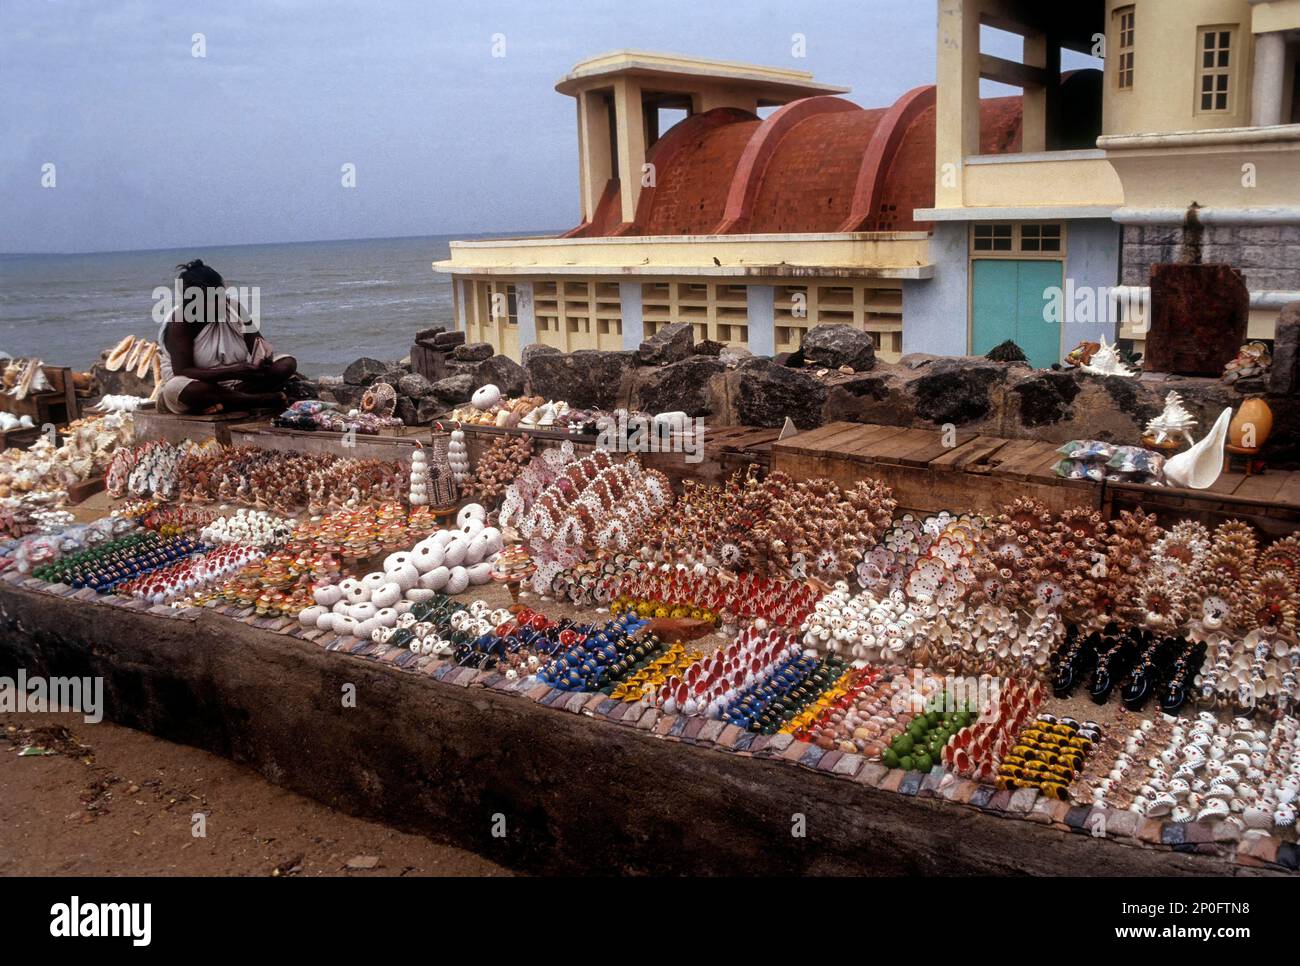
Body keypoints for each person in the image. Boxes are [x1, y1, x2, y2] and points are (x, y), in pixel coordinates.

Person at [157, 259, 297, 414]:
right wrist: (233, 371)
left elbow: (258, 345)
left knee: (286, 364)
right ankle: (258, 400)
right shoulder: (180, 321)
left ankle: (230, 401)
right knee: (179, 388)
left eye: (220, 297)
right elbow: (182, 371)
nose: (218, 304)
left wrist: (263, 360)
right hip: (199, 384)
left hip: (238, 383)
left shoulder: (235, 309)